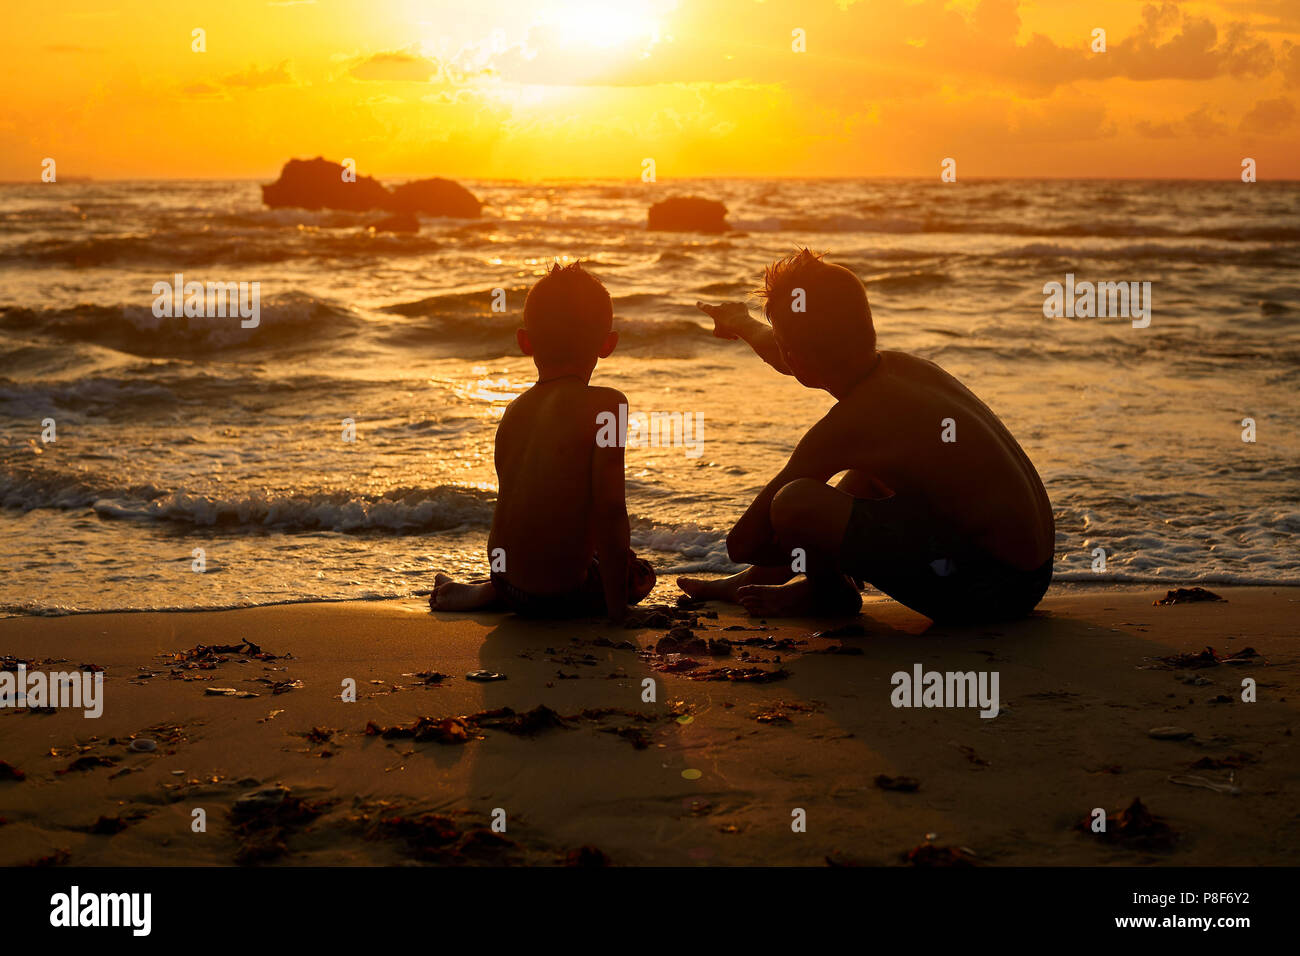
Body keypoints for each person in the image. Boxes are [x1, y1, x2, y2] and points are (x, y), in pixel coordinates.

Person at [679, 249, 1053, 624]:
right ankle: (764, 581)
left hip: (992, 592)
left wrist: (829, 547)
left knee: (797, 502)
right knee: (866, 475)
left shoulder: (851, 423)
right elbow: (794, 354)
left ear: (795, 356)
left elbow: (745, 542)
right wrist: (740, 322)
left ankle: (831, 594)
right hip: (1031, 572)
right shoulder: (903, 369)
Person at [430, 262, 655, 621]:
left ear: (525, 342)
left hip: (507, 582)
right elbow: (610, 510)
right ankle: (517, 594)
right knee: (641, 573)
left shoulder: (513, 410)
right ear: (608, 344)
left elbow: (522, 509)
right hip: (562, 595)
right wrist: (620, 612)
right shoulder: (610, 405)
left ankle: (487, 592)